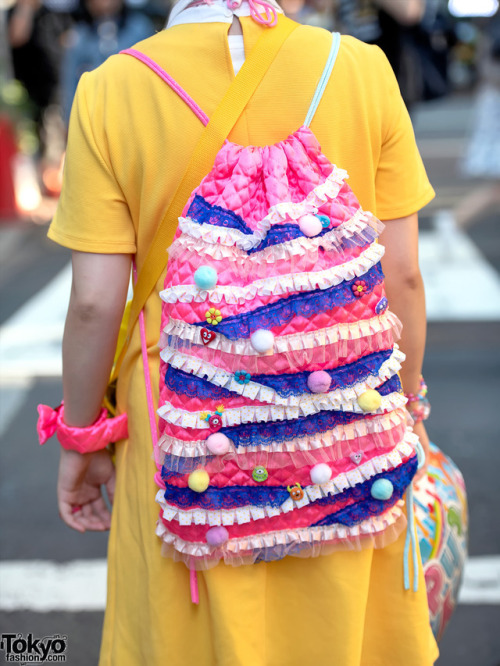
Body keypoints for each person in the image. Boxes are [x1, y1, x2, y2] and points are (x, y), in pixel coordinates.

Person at [43, 0, 438, 663]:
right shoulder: (361, 70)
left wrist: (81, 440)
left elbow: (94, 301)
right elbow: (401, 276)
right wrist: (409, 407)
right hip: (344, 425)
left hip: (182, 430)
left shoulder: (112, 88)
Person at [60, 0, 154, 124]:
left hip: (134, 116)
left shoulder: (140, 28)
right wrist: (70, 121)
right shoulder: (79, 36)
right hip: (93, 119)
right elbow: (70, 83)